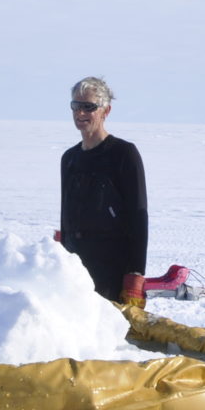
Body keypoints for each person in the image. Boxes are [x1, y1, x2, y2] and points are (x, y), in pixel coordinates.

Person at [58, 77, 148, 301]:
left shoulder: (123, 154)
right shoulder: (69, 158)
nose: (80, 113)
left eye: (88, 107)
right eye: (76, 106)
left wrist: (135, 274)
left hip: (110, 266)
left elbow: (138, 216)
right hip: (74, 265)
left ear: (105, 111)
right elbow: (65, 212)